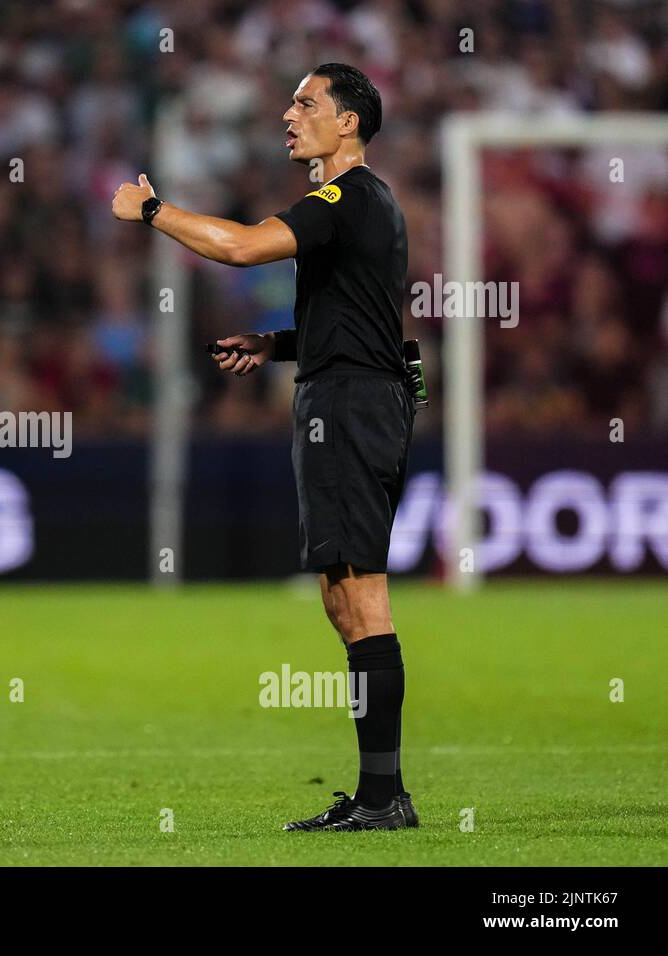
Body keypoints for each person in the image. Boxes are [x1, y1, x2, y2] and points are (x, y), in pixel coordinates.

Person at [112, 63, 417, 831]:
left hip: (352, 407)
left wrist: (153, 211)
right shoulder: (356, 206)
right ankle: (382, 792)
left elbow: (245, 248)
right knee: (343, 597)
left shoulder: (344, 198)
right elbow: (358, 318)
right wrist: (280, 345)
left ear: (348, 121)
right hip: (343, 395)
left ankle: (384, 800)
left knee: (362, 595)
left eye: (307, 103)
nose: (289, 114)